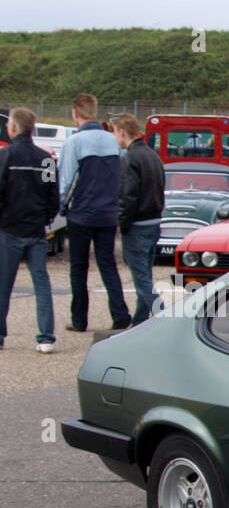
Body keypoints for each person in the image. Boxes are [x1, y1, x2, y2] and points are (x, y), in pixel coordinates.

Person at [60, 93, 130, 332]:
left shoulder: (74, 142)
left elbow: (66, 180)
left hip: (82, 213)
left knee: (78, 268)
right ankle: (121, 314)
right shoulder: (112, 141)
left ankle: (80, 320)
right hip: (108, 214)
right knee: (108, 264)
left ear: (75, 113)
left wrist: (60, 206)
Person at [0, 107, 59, 352]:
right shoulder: (45, 159)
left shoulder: (5, 156)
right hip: (36, 229)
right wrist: (45, 219)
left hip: (10, 228)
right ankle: (46, 337)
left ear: (13, 127)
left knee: (4, 284)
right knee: (42, 283)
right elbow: (53, 197)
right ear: (33, 128)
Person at [113, 113, 165, 326]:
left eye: (115, 133)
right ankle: (140, 322)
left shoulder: (130, 159)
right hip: (154, 222)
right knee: (145, 276)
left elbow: (128, 195)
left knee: (141, 280)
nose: (115, 137)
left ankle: (164, 319)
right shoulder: (153, 155)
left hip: (137, 225)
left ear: (123, 132)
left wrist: (122, 224)